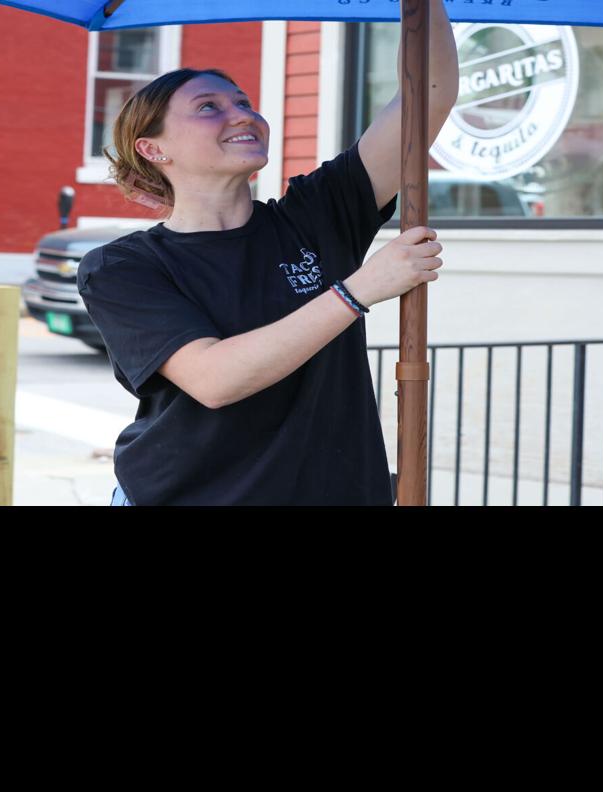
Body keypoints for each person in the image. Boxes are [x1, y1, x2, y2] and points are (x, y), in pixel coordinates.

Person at [79, 62, 452, 505]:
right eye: (207, 107)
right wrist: (357, 291)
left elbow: (430, 91)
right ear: (154, 148)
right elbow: (215, 379)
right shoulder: (124, 267)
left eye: (244, 103)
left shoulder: (318, 215)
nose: (242, 115)